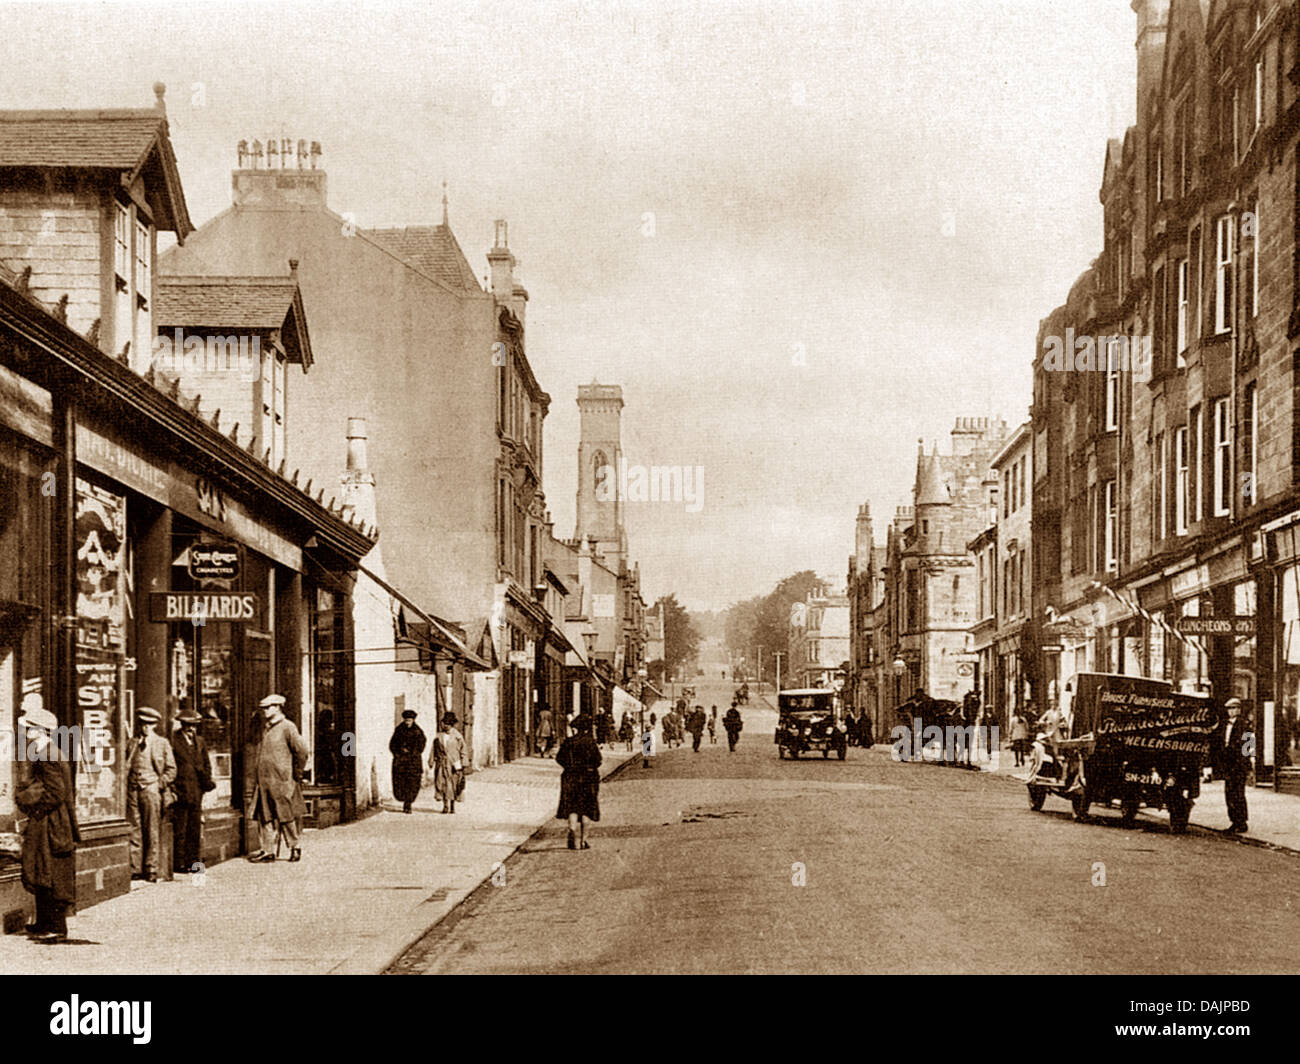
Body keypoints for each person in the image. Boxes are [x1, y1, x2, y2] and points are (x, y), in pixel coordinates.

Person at [16, 700, 80, 942]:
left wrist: (34, 809)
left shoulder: (49, 754)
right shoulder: (47, 751)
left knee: (50, 872)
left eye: (31, 728)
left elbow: (56, 792)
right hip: (49, 819)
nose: (28, 732)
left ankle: (57, 927)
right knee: (42, 869)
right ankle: (44, 923)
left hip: (51, 822)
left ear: (41, 731)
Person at [248, 694, 309, 863]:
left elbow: (302, 751)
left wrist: (297, 772)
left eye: (269, 708)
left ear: (278, 707)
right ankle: (268, 851)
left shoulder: (288, 727)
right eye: (264, 708)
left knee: (285, 815)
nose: (265, 711)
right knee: (264, 817)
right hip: (264, 781)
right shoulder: (265, 728)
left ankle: (295, 847)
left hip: (282, 781)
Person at [124, 705, 176, 882]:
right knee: (134, 827)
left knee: (152, 829)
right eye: (143, 724)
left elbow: (171, 769)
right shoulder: (132, 743)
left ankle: (151, 868)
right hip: (133, 789)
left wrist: (158, 784)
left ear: (155, 725)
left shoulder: (162, 743)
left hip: (151, 789)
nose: (145, 727)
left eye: (149, 724)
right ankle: (135, 867)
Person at [171, 708, 215, 874]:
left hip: (197, 791)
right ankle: (180, 863)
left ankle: (194, 863)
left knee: (194, 829)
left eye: (194, 726)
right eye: (188, 726)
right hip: (181, 790)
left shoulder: (200, 742)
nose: (191, 729)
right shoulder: (174, 740)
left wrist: (206, 782)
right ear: (182, 725)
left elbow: (206, 763)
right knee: (181, 829)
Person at [555, 713, 602, 849]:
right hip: (588, 778)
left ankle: (572, 830)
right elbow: (598, 761)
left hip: (570, 777)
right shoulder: (590, 743)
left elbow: (559, 758)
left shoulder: (568, 742)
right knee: (587, 809)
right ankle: (583, 841)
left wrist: (569, 767)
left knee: (572, 807)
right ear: (587, 728)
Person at [1218, 697, 1253, 834]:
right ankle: (1234, 821)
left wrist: (1248, 765)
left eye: (1233, 708)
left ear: (1239, 709)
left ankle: (1241, 822)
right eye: (1229, 709)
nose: (1231, 712)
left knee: (1238, 793)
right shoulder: (1224, 725)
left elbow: (1249, 747)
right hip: (1228, 764)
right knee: (1229, 793)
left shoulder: (1245, 725)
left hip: (1239, 764)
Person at [388, 709, 427, 814]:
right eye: (406, 720)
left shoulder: (418, 731)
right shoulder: (399, 730)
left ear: (413, 720)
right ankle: (404, 800)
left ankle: (408, 803)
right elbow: (392, 744)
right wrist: (399, 752)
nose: (407, 722)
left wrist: (412, 752)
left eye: (409, 720)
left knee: (413, 783)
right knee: (401, 783)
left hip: (413, 762)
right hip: (401, 762)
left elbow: (421, 745)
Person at [430, 712, 467, 814]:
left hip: (454, 763)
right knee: (442, 784)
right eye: (444, 723)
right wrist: (431, 760)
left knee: (454, 784)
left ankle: (452, 806)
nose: (445, 725)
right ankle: (445, 806)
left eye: (448, 723)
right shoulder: (439, 736)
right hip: (442, 763)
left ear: (452, 724)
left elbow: (463, 750)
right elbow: (434, 749)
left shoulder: (458, 736)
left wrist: (463, 763)